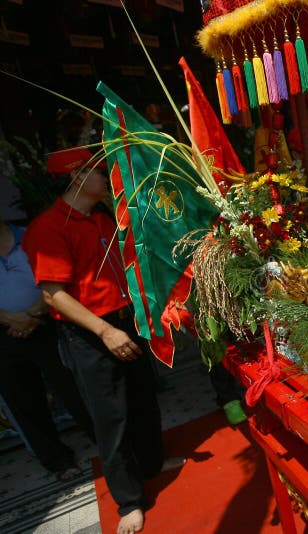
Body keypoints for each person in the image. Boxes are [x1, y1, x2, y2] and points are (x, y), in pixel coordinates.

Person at [22, 147, 183, 534]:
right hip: (92, 333)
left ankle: (150, 464)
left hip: (125, 320)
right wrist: (104, 331)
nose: (109, 178)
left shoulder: (102, 217)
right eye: (100, 171)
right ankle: (128, 501)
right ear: (77, 178)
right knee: (112, 418)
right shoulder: (49, 227)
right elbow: (53, 295)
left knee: (143, 400)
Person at [0, 216, 94, 481]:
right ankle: (58, 461)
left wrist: (37, 311)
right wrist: (10, 318)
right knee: (23, 399)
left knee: (73, 385)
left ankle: (105, 439)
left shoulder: (29, 234)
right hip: (5, 332)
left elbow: (57, 273)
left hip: (46, 320)